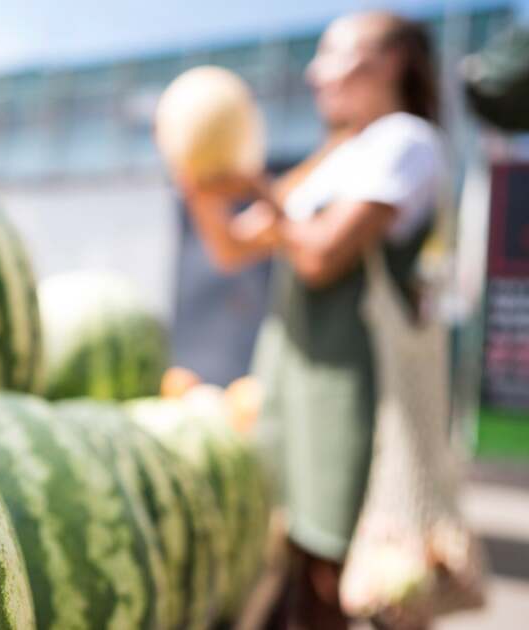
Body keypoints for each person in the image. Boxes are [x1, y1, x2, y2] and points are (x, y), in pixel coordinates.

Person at [174, 11, 447, 629]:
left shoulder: (406, 141)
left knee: (333, 572)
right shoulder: (338, 151)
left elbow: (322, 256)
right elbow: (231, 248)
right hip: (293, 383)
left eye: (332, 54)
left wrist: (264, 191)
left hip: (347, 392)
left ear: (390, 64)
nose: (313, 71)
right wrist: (196, 180)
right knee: (293, 562)